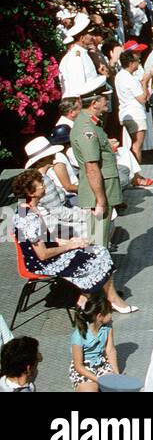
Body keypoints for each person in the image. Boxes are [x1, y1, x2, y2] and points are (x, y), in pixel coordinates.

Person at [10, 169, 135, 313]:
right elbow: (43, 254)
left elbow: (40, 240)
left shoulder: (26, 209)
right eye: (40, 185)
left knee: (97, 250)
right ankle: (111, 299)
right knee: (95, 255)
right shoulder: (28, 217)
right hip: (42, 263)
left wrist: (65, 242)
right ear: (31, 193)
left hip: (44, 256)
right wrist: (70, 245)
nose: (44, 186)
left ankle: (86, 299)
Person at [69, 81, 120, 244]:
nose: (107, 101)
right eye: (104, 98)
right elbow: (91, 167)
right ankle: (98, 268)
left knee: (100, 236)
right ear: (94, 103)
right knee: (97, 239)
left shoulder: (92, 123)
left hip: (101, 188)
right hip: (99, 190)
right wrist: (100, 199)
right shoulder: (87, 129)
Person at [69, 293, 119, 392]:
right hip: (85, 368)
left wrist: (116, 373)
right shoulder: (78, 335)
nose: (111, 314)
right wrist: (98, 380)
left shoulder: (108, 327)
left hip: (101, 363)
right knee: (90, 390)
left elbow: (110, 350)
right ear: (100, 316)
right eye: (109, 312)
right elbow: (78, 365)